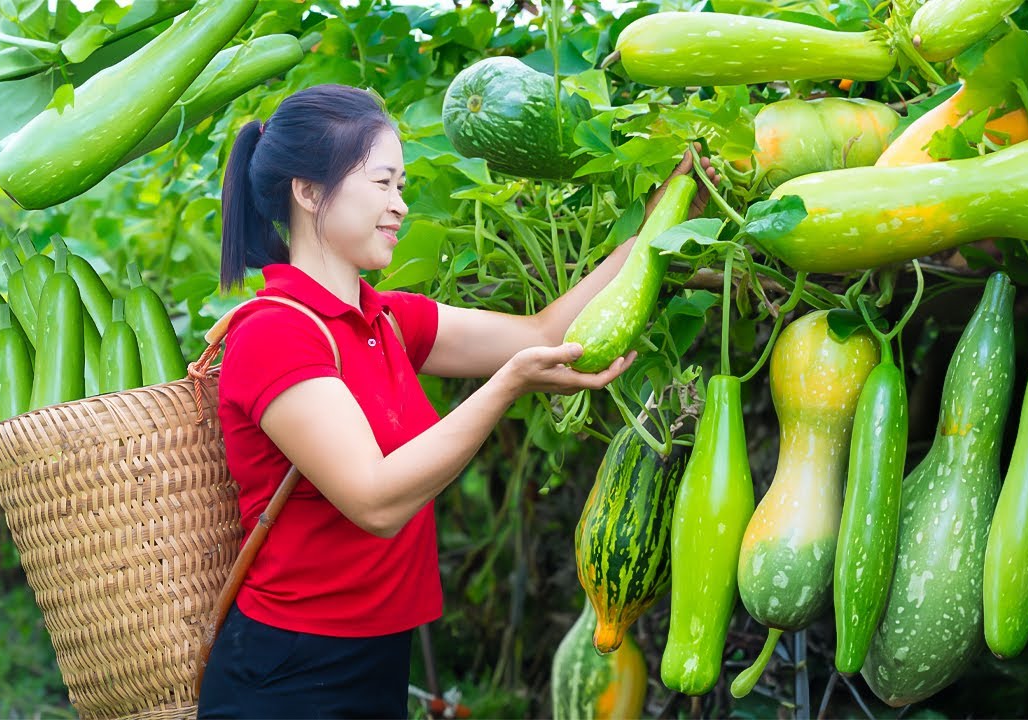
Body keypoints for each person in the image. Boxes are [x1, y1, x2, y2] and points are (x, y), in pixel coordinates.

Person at [197, 83, 719, 719]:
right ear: (308, 192)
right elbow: (375, 498)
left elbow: (542, 335)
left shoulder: (387, 320)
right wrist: (506, 387)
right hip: (287, 675)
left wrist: (662, 217)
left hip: (377, 658)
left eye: (402, 185)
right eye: (383, 183)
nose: (399, 205)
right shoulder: (277, 333)